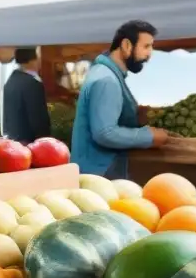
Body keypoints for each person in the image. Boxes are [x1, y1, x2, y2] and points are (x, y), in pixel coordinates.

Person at [71, 20, 169, 178]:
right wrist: (149, 137)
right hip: (100, 173)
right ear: (126, 45)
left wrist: (135, 114)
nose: (149, 55)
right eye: (146, 46)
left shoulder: (105, 73)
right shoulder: (106, 80)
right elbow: (105, 133)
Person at [3, 47, 51, 143]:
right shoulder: (32, 83)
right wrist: (45, 141)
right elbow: (38, 118)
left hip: (14, 140)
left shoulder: (11, 81)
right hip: (29, 142)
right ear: (34, 59)